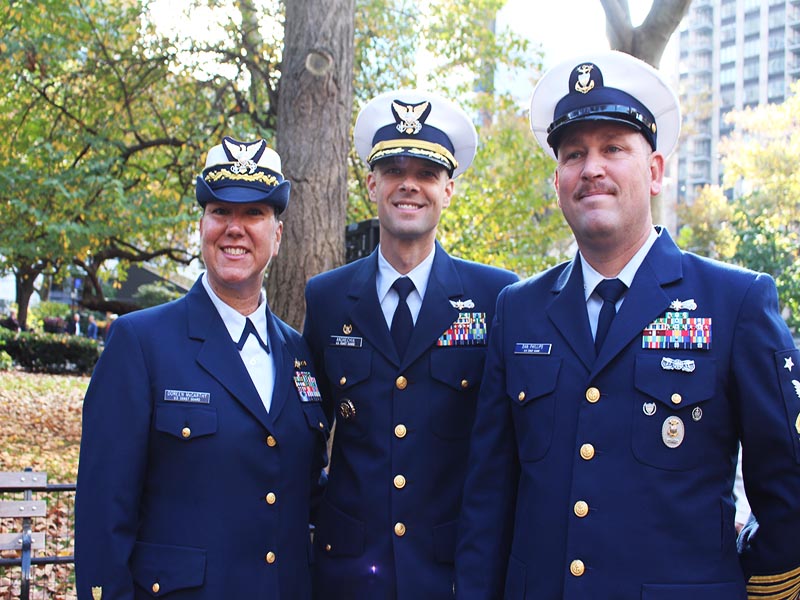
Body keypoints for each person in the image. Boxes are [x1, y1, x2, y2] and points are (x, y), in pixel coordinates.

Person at [455, 51, 800, 599]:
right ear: (558, 180)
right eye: (574, 154)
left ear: (656, 171)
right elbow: (489, 497)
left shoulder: (735, 303)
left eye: (614, 148)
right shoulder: (517, 310)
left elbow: (787, 488)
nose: (592, 167)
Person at [75, 137, 330, 599]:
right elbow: (102, 512)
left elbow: (307, 489)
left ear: (277, 234)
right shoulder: (141, 342)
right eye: (220, 212)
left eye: (254, 213)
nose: (235, 228)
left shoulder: (298, 352)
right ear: (201, 225)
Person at [303, 89, 518, 598]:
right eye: (395, 171)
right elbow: (308, 432)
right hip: (349, 573)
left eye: (426, 173)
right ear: (372, 184)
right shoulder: (329, 297)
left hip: (449, 572)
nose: (409, 186)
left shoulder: (496, 295)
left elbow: (503, 447)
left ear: (448, 190)